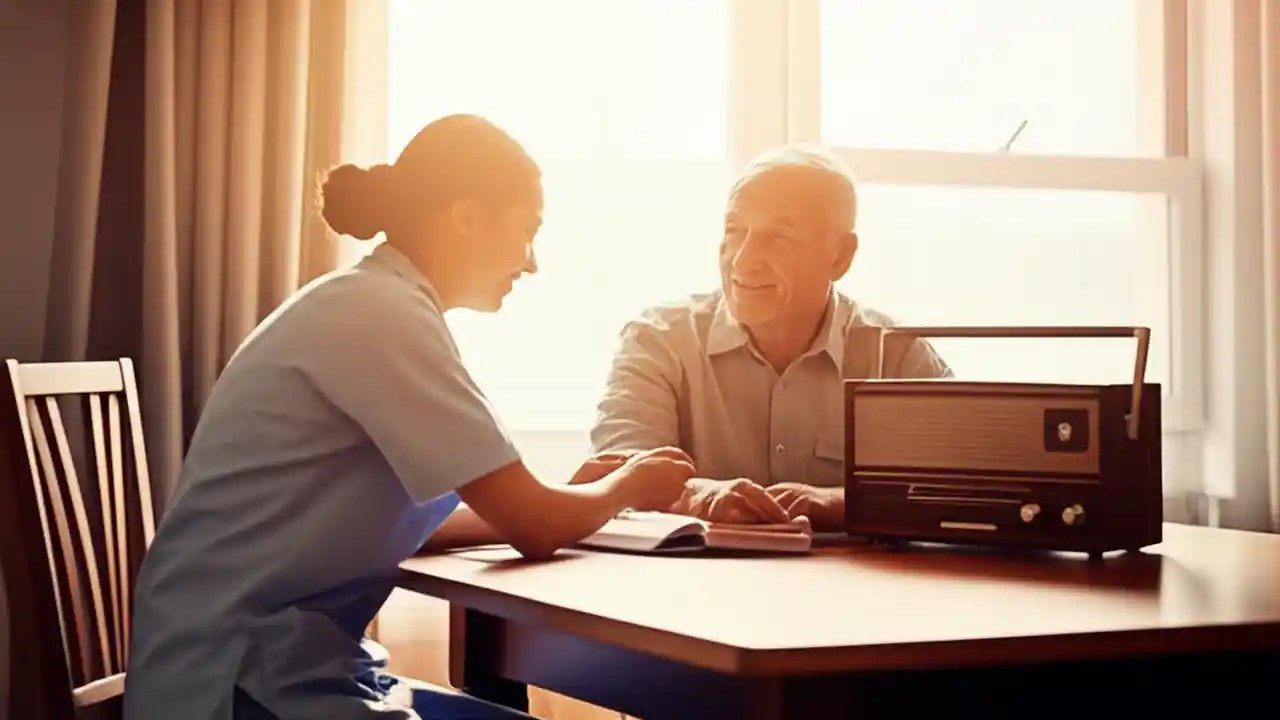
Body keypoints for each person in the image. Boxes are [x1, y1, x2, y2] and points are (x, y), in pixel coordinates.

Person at [122, 114, 695, 720]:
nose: (531, 263)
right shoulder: (382, 316)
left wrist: (573, 495)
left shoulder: (375, 302)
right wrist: (627, 486)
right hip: (233, 687)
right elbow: (533, 526)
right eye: (527, 232)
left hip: (264, 669)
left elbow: (434, 524)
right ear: (466, 216)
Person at [589, 143, 951, 532]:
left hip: (861, 586)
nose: (743, 260)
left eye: (778, 237)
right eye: (734, 231)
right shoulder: (658, 341)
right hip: (693, 585)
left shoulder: (898, 355)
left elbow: (957, 488)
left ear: (840, 256)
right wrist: (700, 495)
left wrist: (840, 502)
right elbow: (616, 478)